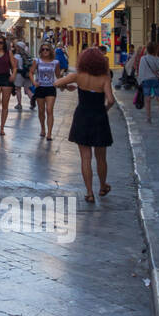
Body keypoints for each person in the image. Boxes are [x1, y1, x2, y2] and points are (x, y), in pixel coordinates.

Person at [54, 46, 115, 202]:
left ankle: (89, 192)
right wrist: (105, 110)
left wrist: (66, 87)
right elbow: (111, 100)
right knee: (101, 157)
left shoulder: (77, 76)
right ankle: (102, 186)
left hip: (82, 116)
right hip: (99, 117)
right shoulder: (104, 78)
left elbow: (56, 83)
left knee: (85, 157)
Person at [32, 42, 61, 142]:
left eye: (47, 49)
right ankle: (43, 128)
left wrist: (62, 84)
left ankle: (49, 133)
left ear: (50, 51)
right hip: (40, 88)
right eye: (43, 49)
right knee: (41, 110)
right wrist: (33, 82)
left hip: (50, 88)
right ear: (40, 51)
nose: (45, 51)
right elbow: (31, 73)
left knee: (49, 110)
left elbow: (58, 76)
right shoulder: (37, 61)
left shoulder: (55, 62)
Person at [137, 41, 159, 123]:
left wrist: (140, 81)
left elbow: (141, 71)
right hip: (155, 80)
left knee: (147, 100)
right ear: (156, 50)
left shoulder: (143, 59)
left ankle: (148, 117)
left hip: (146, 80)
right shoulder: (158, 59)